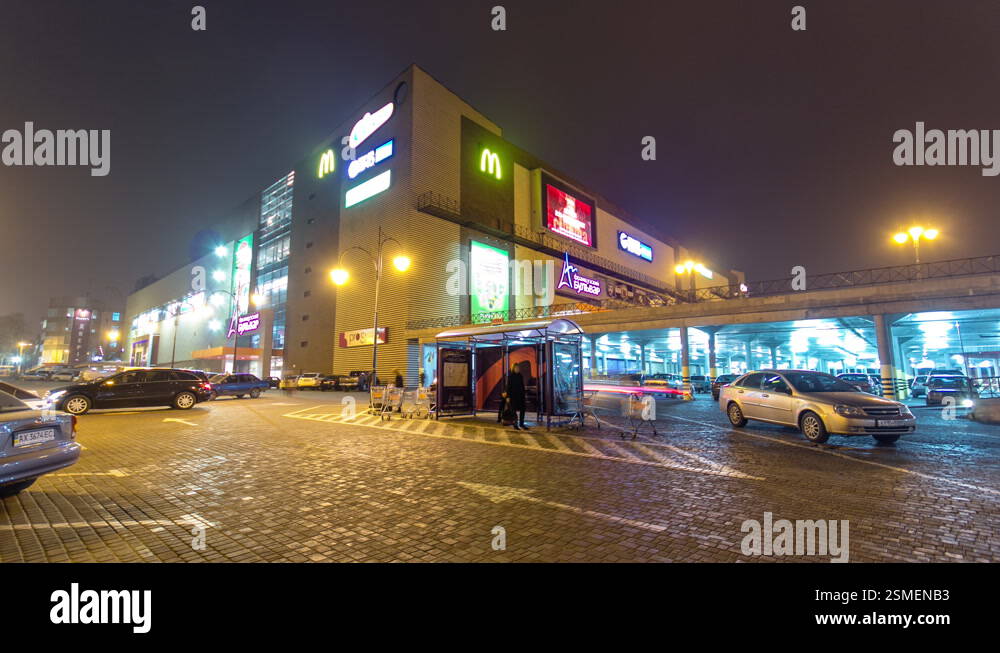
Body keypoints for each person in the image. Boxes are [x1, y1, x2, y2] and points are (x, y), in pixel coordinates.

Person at [500, 362, 528, 430]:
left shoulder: (520, 376)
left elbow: (522, 386)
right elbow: (508, 387)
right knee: (514, 411)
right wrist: (508, 397)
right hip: (513, 396)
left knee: (523, 409)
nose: (518, 369)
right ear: (513, 368)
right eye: (516, 368)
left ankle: (521, 423)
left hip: (521, 396)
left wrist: (524, 394)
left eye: (518, 367)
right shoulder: (511, 376)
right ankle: (515, 424)